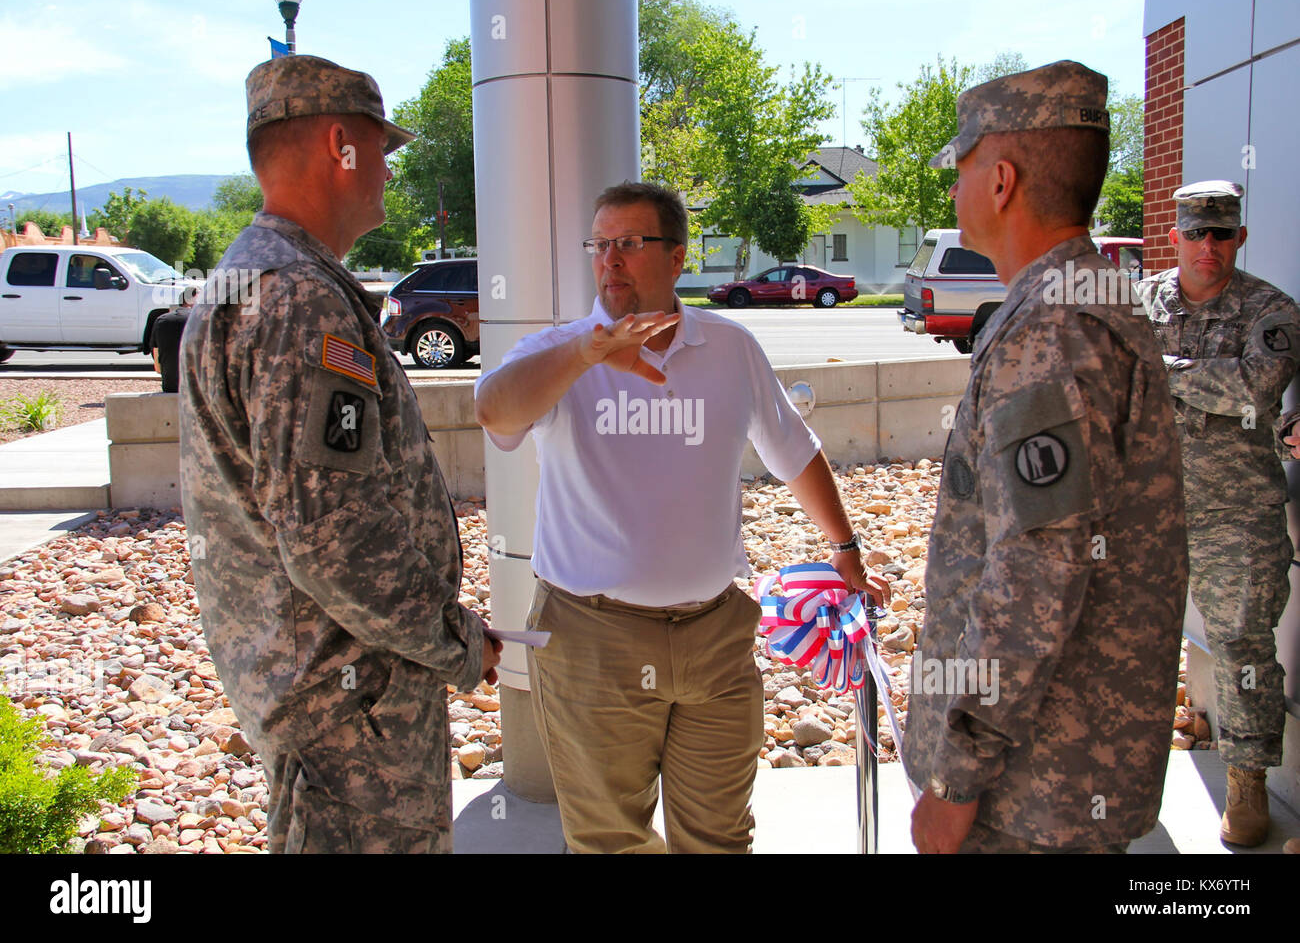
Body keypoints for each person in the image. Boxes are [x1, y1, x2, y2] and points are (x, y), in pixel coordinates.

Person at [474, 181, 890, 853]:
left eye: (630, 244)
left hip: (715, 635)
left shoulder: (730, 348)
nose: (610, 259)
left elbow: (796, 453)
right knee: (612, 841)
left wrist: (846, 549)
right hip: (591, 640)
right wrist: (587, 354)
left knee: (720, 837)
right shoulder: (561, 353)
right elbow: (493, 411)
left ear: (676, 258)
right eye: (600, 245)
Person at [178, 55, 499, 854]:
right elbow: (334, 539)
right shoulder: (297, 298)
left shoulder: (246, 277)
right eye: (378, 148)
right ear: (338, 145)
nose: (388, 169)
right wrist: (455, 640)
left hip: (322, 700)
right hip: (349, 720)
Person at [905, 60, 1188, 853]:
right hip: (1063, 771)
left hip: (1032, 793)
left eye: (958, 172)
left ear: (1000, 181)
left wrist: (958, 777)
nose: (951, 194)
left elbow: (1038, 568)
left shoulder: (1051, 330)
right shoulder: (1082, 300)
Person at [1138, 181, 1300, 847]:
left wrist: (1163, 366)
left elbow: (1252, 387)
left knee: (1241, 652)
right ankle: (1129, 787)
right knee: (1134, 648)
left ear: (1240, 237)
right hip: (1144, 512)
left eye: (1222, 233)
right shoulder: (1138, 302)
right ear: (1174, 237)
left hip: (1237, 514)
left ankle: (1246, 787)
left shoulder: (1272, 310)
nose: (1210, 246)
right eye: (1197, 233)